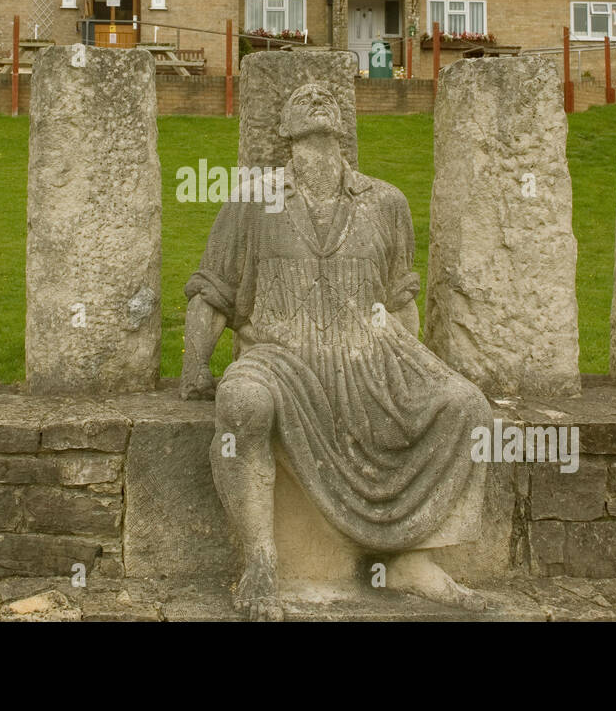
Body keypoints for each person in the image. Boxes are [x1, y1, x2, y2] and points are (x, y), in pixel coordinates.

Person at [181, 82, 493, 621]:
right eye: (303, 96)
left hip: (367, 354)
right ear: (284, 126)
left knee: (466, 407)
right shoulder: (253, 198)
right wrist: (194, 370)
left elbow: (399, 300)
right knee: (242, 407)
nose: (319, 97)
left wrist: (410, 371)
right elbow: (213, 291)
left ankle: (412, 557)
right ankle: (260, 561)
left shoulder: (386, 201)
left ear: (346, 123)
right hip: (276, 356)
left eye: (328, 95)